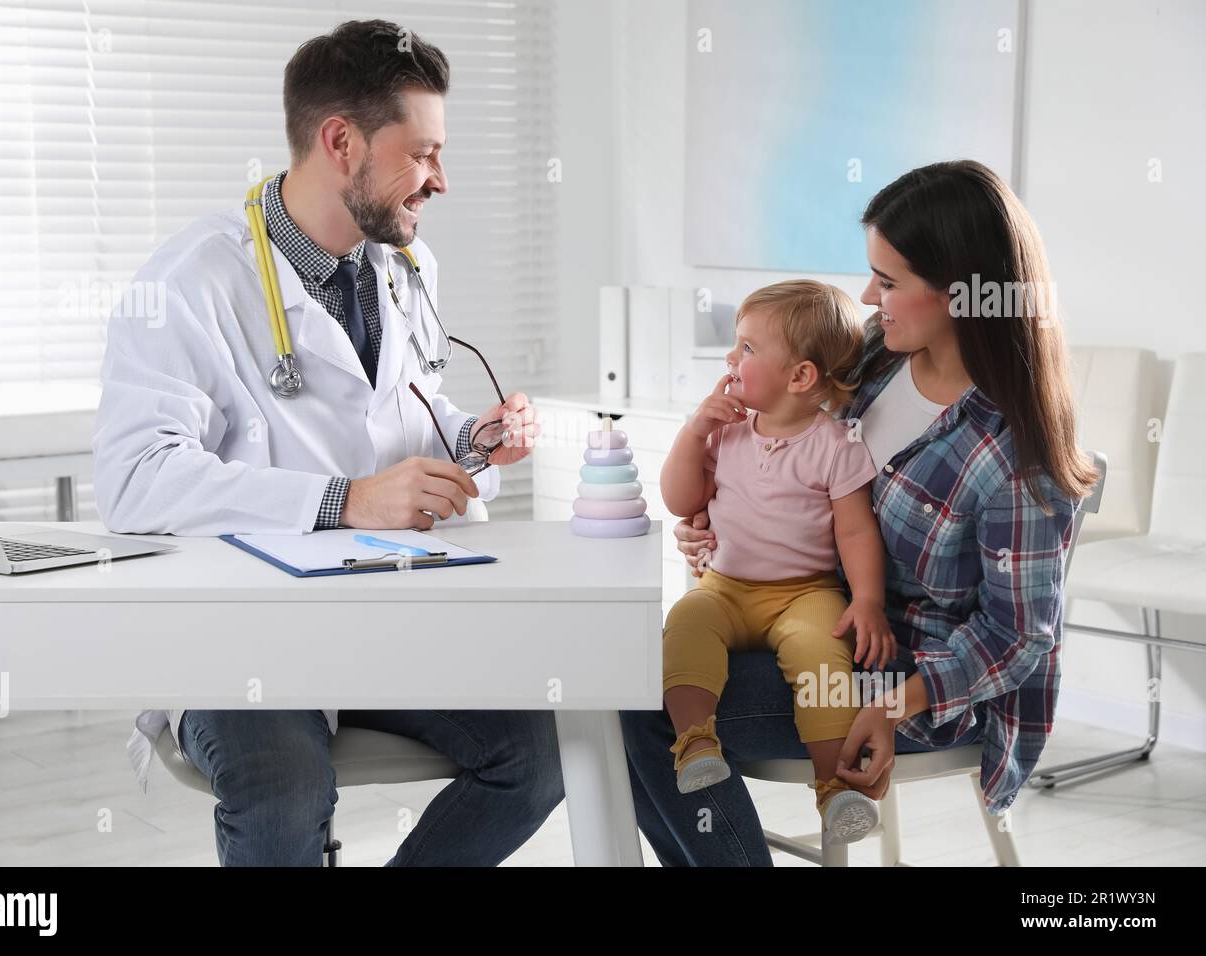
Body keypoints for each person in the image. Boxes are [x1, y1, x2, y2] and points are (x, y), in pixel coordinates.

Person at [94, 19, 561, 866]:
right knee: (284, 797)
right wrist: (344, 501)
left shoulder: (403, 264)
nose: (441, 180)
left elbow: (407, 415)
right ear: (340, 141)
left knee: (538, 759)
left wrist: (477, 440)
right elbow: (137, 479)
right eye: (421, 154)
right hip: (244, 634)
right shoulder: (190, 279)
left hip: (389, 616)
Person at [621, 159, 1100, 866]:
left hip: (905, 672)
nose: (869, 295)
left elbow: (1020, 634)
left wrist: (898, 700)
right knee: (631, 672)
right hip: (806, 610)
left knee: (638, 703)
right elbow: (791, 460)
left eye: (891, 280)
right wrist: (724, 513)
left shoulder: (1013, 453)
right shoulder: (875, 355)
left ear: (963, 294)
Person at [659, 280, 894, 845]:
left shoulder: (837, 444)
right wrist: (695, 432)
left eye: (746, 348)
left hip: (805, 593)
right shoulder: (727, 433)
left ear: (800, 377)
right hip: (726, 588)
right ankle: (696, 741)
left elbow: (856, 529)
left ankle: (834, 787)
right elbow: (679, 499)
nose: (730, 359)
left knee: (822, 661)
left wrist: (866, 600)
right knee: (685, 626)